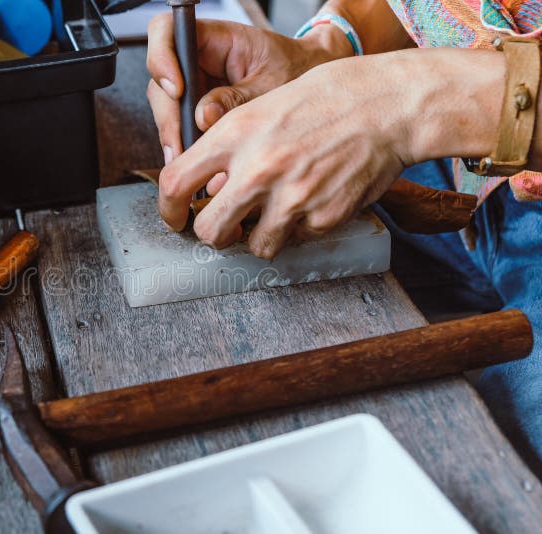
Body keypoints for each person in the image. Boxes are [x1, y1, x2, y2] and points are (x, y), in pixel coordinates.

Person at [146, 0, 542, 472]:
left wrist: (400, 102)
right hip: (467, 170)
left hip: (453, 118)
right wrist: (331, 46)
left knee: (478, 473)